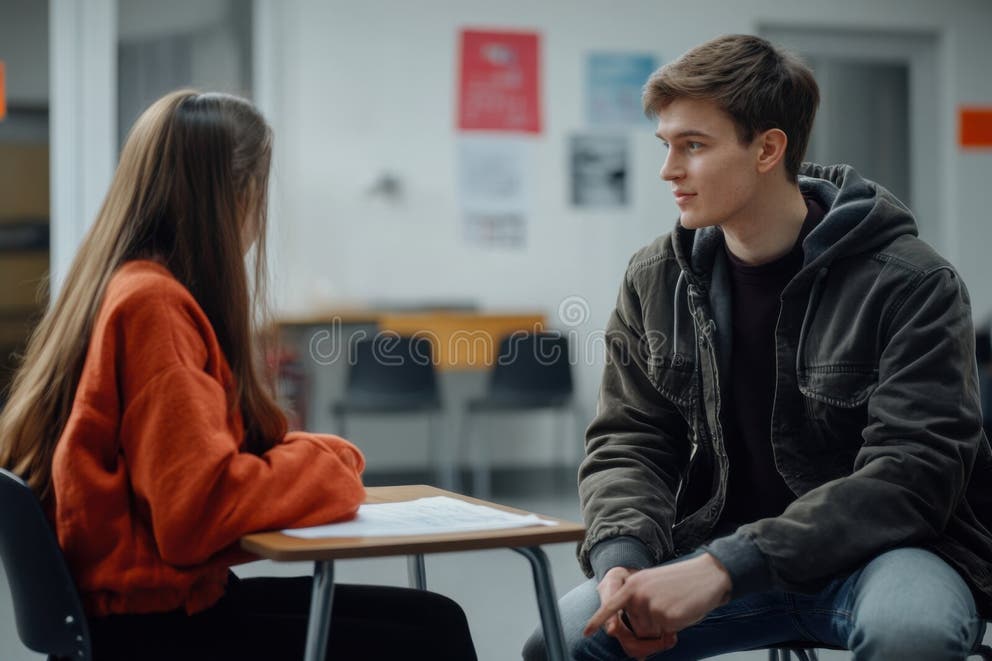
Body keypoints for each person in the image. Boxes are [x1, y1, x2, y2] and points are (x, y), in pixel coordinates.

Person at [524, 34, 992, 660]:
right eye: (666, 145)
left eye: (693, 146)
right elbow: (629, 439)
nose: (669, 170)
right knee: (561, 644)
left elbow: (913, 475)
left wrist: (726, 566)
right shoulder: (655, 276)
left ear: (768, 148)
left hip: (888, 555)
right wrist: (622, 559)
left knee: (912, 633)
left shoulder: (911, 281)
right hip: (724, 555)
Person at [0, 90, 477, 661]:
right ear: (235, 196)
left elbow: (198, 464)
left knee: (437, 617)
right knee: (432, 637)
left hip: (149, 607)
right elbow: (197, 514)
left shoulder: (120, 285)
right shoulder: (154, 307)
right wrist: (330, 467)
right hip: (159, 628)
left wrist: (310, 455)